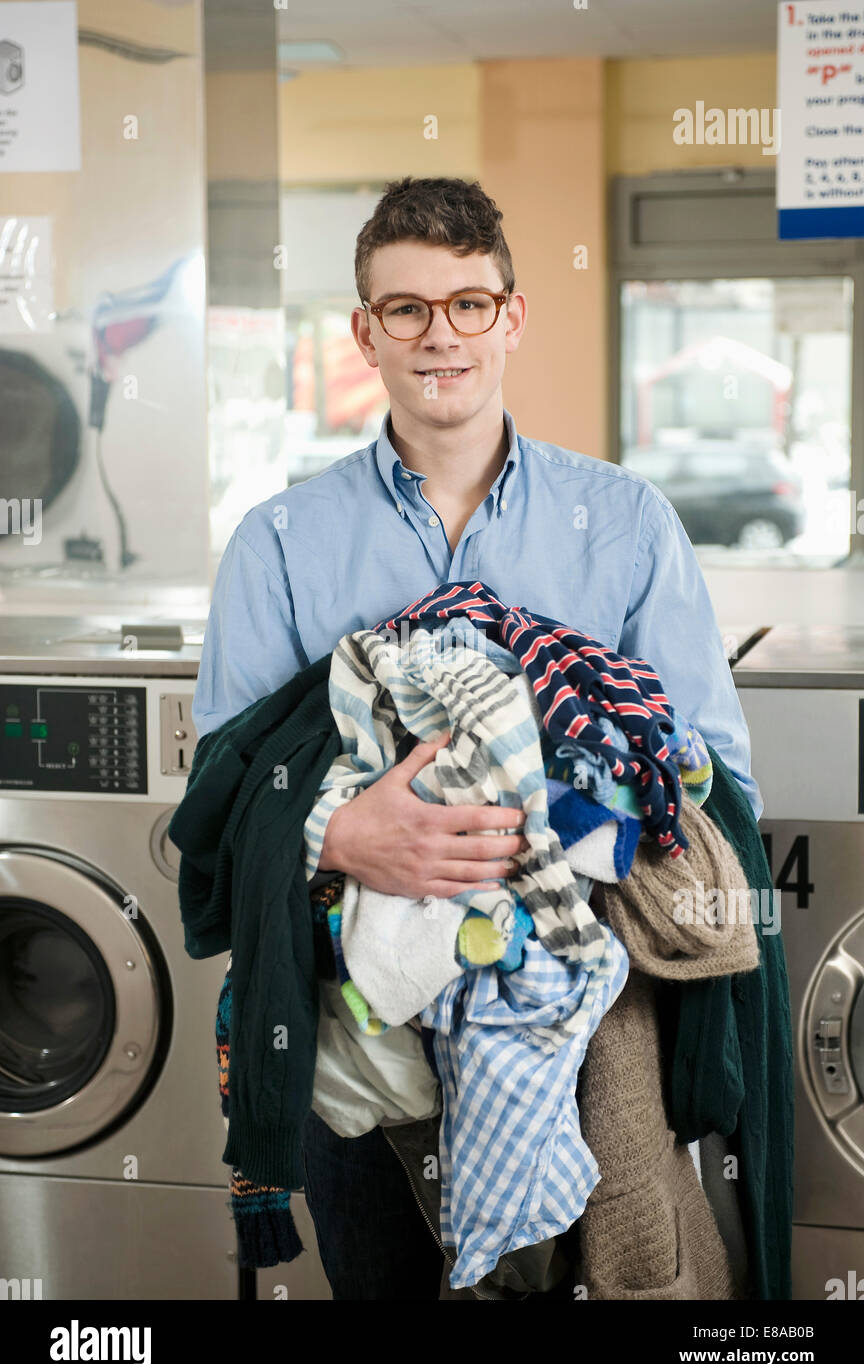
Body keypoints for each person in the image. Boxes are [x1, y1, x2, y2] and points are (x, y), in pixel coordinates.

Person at [192, 176, 762, 1300]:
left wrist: (560, 831)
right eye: (404, 309)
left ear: (512, 316)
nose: (437, 334)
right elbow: (218, 807)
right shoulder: (282, 544)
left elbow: (716, 784)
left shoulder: (630, 525)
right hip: (353, 1043)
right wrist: (343, 835)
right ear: (365, 332)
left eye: (466, 303)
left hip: (587, 1037)